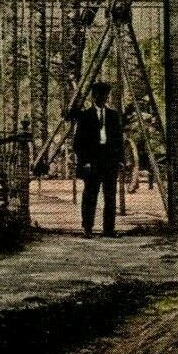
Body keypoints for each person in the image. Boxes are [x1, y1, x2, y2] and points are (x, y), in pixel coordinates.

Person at [71, 81, 123, 237]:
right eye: (100, 95)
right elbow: (78, 143)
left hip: (109, 160)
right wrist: (85, 161)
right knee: (90, 195)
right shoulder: (85, 116)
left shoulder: (113, 116)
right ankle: (87, 228)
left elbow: (119, 140)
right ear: (94, 97)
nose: (103, 98)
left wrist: (119, 160)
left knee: (110, 196)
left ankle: (109, 229)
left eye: (106, 95)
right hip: (92, 160)